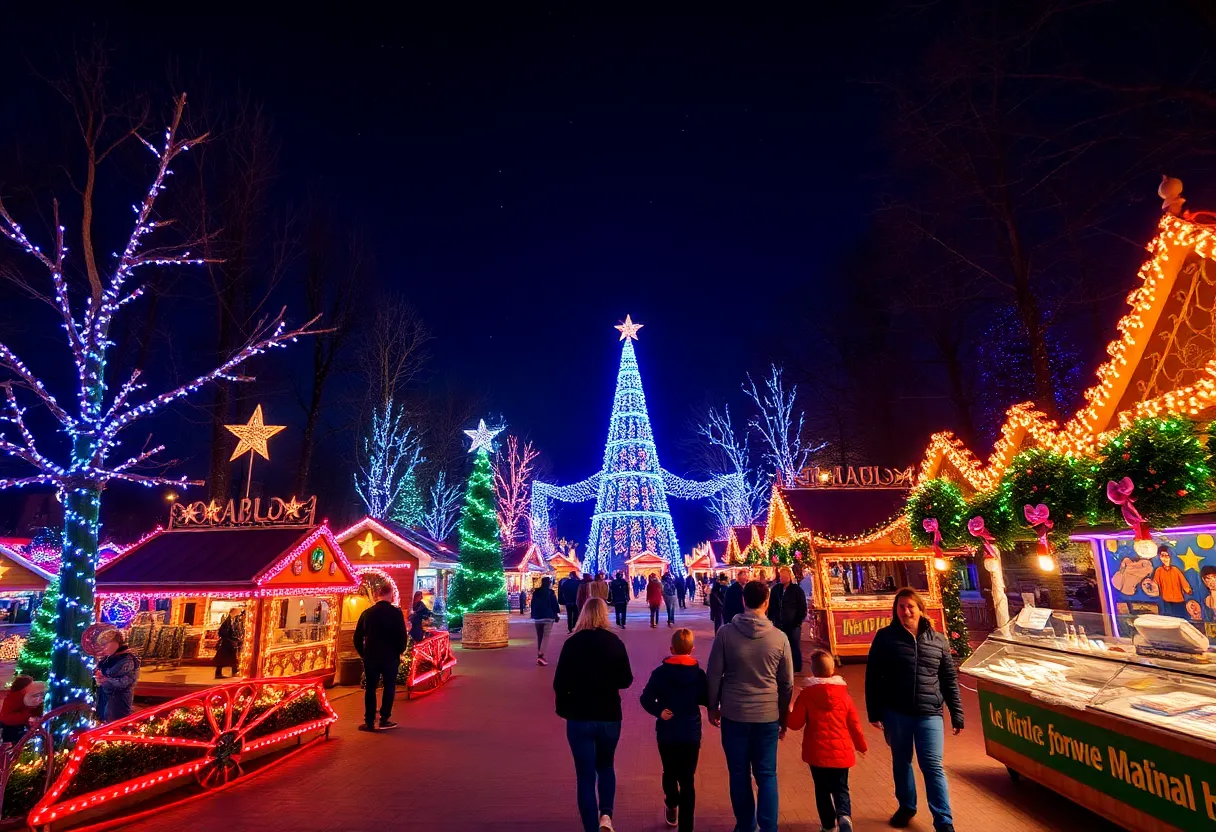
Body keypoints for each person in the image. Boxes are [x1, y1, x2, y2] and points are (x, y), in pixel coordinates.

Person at [865, 588, 963, 832]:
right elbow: (873, 677)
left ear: (920, 609)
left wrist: (956, 712)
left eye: (910, 606)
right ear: (895, 610)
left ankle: (944, 821)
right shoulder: (885, 637)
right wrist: (874, 711)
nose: (906, 611)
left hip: (929, 712)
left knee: (932, 766)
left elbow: (949, 678)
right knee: (901, 761)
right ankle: (907, 806)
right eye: (901, 607)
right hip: (897, 712)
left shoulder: (938, 640)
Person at [707, 580, 794, 832]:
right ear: (766, 602)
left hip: (734, 713)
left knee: (739, 773)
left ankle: (746, 825)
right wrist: (783, 716)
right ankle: (768, 827)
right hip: (767, 715)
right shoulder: (780, 638)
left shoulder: (725, 633)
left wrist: (713, 705)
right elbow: (786, 683)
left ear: (743, 601)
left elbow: (714, 673)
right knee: (767, 774)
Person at [554, 598, 633, 832]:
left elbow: (559, 682)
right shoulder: (614, 642)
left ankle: (591, 827)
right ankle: (606, 815)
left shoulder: (572, 643)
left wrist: (566, 702)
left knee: (585, 775)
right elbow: (626, 680)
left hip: (579, 716)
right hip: (608, 714)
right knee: (606, 766)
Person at [788, 650, 868, 832]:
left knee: (822, 790)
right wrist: (861, 746)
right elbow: (854, 724)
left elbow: (795, 723)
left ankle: (828, 825)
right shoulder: (845, 696)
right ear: (833, 671)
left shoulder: (807, 695)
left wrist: (787, 711)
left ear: (813, 671)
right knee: (841, 787)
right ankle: (844, 816)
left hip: (817, 754)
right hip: (842, 753)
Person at [640, 628, 708, 832]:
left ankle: (671, 802)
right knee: (688, 778)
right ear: (692, 649)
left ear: (671, 648)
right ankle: (686, 827)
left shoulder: (660, 673)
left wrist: (659, 711)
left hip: (667, 731)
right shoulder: (698, 674)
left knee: (669, 771)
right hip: (691, 731)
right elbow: (705, 699)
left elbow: (645, 699)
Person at [353, 583, 407, 732]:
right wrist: (399, 652)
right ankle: (384, 718)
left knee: (370, 688)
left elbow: (357, 637)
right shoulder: (396, 613)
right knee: (389, 687)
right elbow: (402, 636)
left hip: (371, 657)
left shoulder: (367, 613)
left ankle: (369, 721)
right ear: (390, 594)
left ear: (378, 594)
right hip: (390, 656)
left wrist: (363, 653)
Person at [768, 566, 809, 674]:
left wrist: (798, 621)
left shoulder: (797, 590)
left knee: (794, 645)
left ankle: (796, 666)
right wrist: (771, 619)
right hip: (779, 623)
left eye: (785, 576)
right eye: (781, 576)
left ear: (789, 577)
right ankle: (781, 666)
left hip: (793, 624)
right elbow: (772, 606)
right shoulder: (776, 589)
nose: (782, 578)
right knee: (779, 646)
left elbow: (802, 607)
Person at [94, 630, 140, 723]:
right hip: (106, 701)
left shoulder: (128, 659)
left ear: (116, 643)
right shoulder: (109, 658)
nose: (104, 649)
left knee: (117, 726)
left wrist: (105, 680)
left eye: (106, 645)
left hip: (118, 703)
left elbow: (125, 682)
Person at [0, 676, 44, 743]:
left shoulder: (29, 696)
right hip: (12, 729)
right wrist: (28, 714)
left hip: (21, 727)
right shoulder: (13, 698)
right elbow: (6, 717)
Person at [1154, 546, 1194, 618]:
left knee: (1181, 619)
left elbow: (1183, 582)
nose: (1165, 558)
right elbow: (1155, 584)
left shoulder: (1175, 570)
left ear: (1170, 557)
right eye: (1162, 556)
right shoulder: (1158, 571)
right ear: (1159, 557)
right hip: (1166, 601)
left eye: (1167, 556)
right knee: (1169, 619)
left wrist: (1188, 590)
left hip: (1178, 600)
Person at [531, 575, 562, 666]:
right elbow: (554, 604)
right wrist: (556, 614)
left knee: (540, 636)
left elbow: (533, 604)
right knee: (545, 636)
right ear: (549, 583)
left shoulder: (536, 592)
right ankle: (541, 655)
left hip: (537, 617)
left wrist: (533, 614)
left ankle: (539, 655)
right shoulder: (550, 592)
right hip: (548, 616)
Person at [213, 608, 244, 679]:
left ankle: (232, 671)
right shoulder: (228, 621)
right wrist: (228, 637)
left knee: (228, 658)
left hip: (229, 643)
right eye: (237, 612)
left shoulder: (232, 620)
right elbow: (222, 631)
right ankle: (232, 672)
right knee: (226, 659)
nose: (238, 613)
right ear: (233, 612)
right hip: (227, 643)